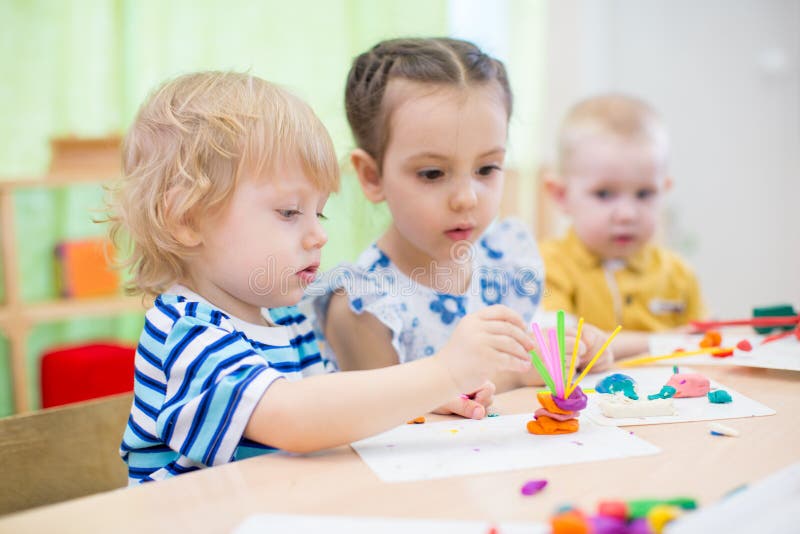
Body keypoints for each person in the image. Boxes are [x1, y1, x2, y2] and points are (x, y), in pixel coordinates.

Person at [106, 71, 535, 484]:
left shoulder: (284, 320)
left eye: (319, 211)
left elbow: (338, 409)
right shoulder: (187, 331)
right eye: (290, 212)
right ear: (186, 219)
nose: (319, 234)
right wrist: (443, 372)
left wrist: (425, 399)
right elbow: (295, 419)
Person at [302, 38, 612, 421]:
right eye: (432, 173)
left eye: (486, 169)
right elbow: (379, 427)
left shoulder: (505, 258)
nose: (466, 198)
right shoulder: (363, 305)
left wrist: (580, 350)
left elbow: (533, 346)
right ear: (371, 175)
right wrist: (523, 369)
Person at [541, 94, 706, 358]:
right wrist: (662, 341)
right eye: (604, 194)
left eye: (644, 194)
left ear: (664, 192)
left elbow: (701, 346)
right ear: (561, 195)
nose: (627, 214)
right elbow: (565, 346)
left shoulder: (679, 275)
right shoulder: (545, 267)